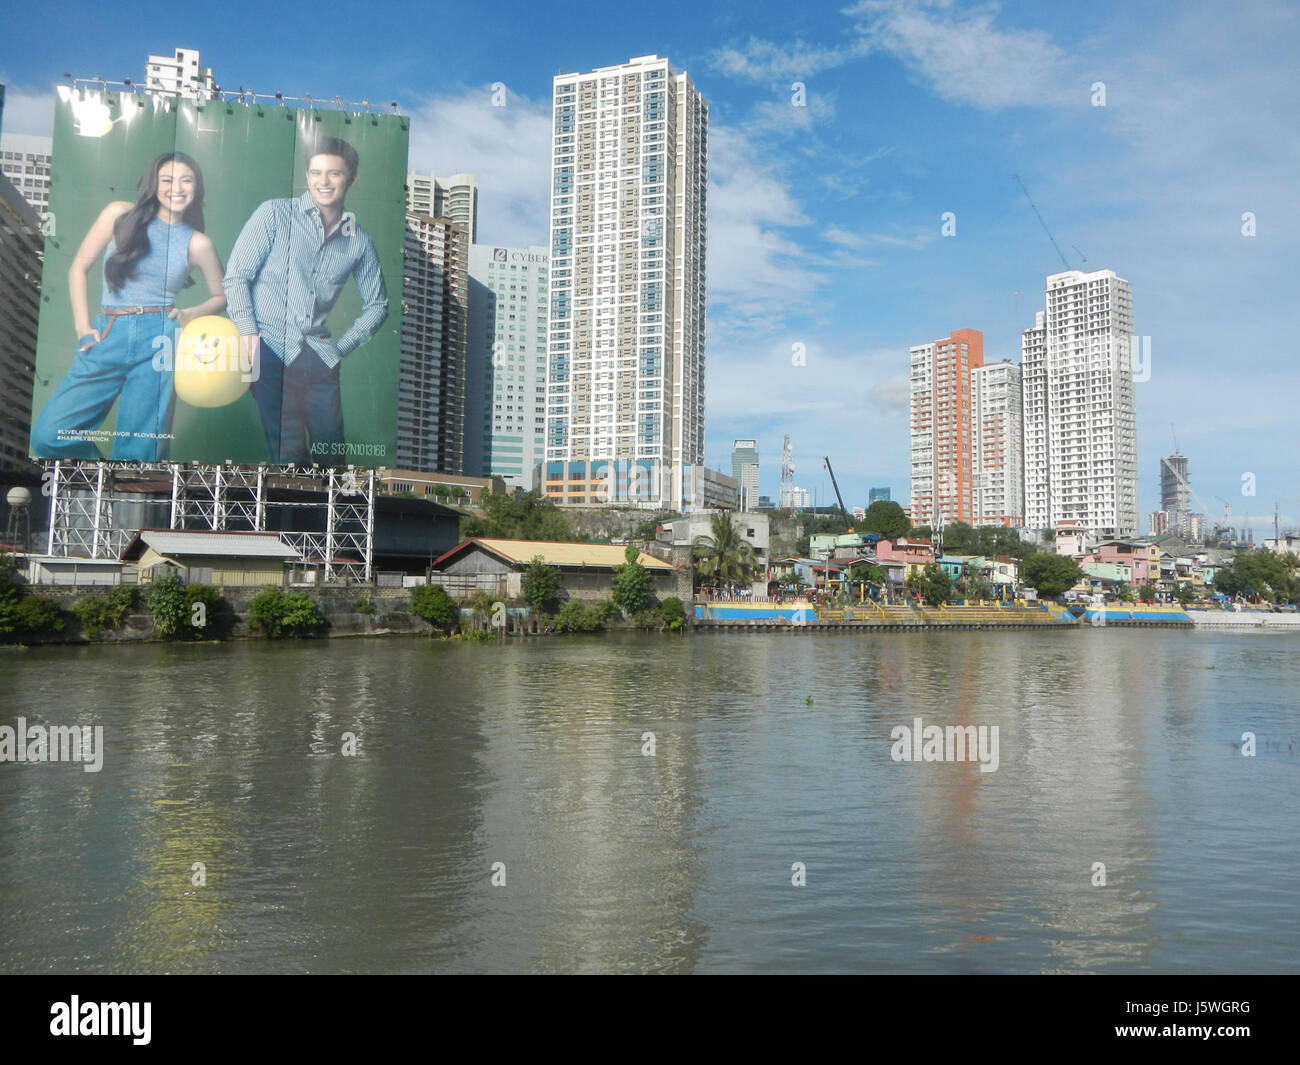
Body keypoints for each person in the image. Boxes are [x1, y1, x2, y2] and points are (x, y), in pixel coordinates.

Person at [31, 152, 226, 461]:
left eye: (187, 180)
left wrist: (190, 314)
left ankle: (123, 499)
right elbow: (77, 269)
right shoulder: (119, 214)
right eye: (167, 179)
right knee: (48, 436)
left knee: (140, 454)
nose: (177, 187)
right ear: (153, 184)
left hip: (159, 339)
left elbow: (221, 296)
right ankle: (101, 473)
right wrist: (84, 329)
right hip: (108, 331)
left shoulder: (198, 243)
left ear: (197, 188)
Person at [223, 136, 388, 465]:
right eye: (316, 172)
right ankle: (288, 515)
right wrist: (248, 335)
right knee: (289, 456)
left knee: (332, 459)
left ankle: (327, 517)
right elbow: (236, 276)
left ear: (352, 178)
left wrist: (339, 349)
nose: (323, 182)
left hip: (319, 358)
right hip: (267, 349)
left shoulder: (360, 241)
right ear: (307, 175)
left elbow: (379, 306)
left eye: (334, 174)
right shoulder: (274, 214)